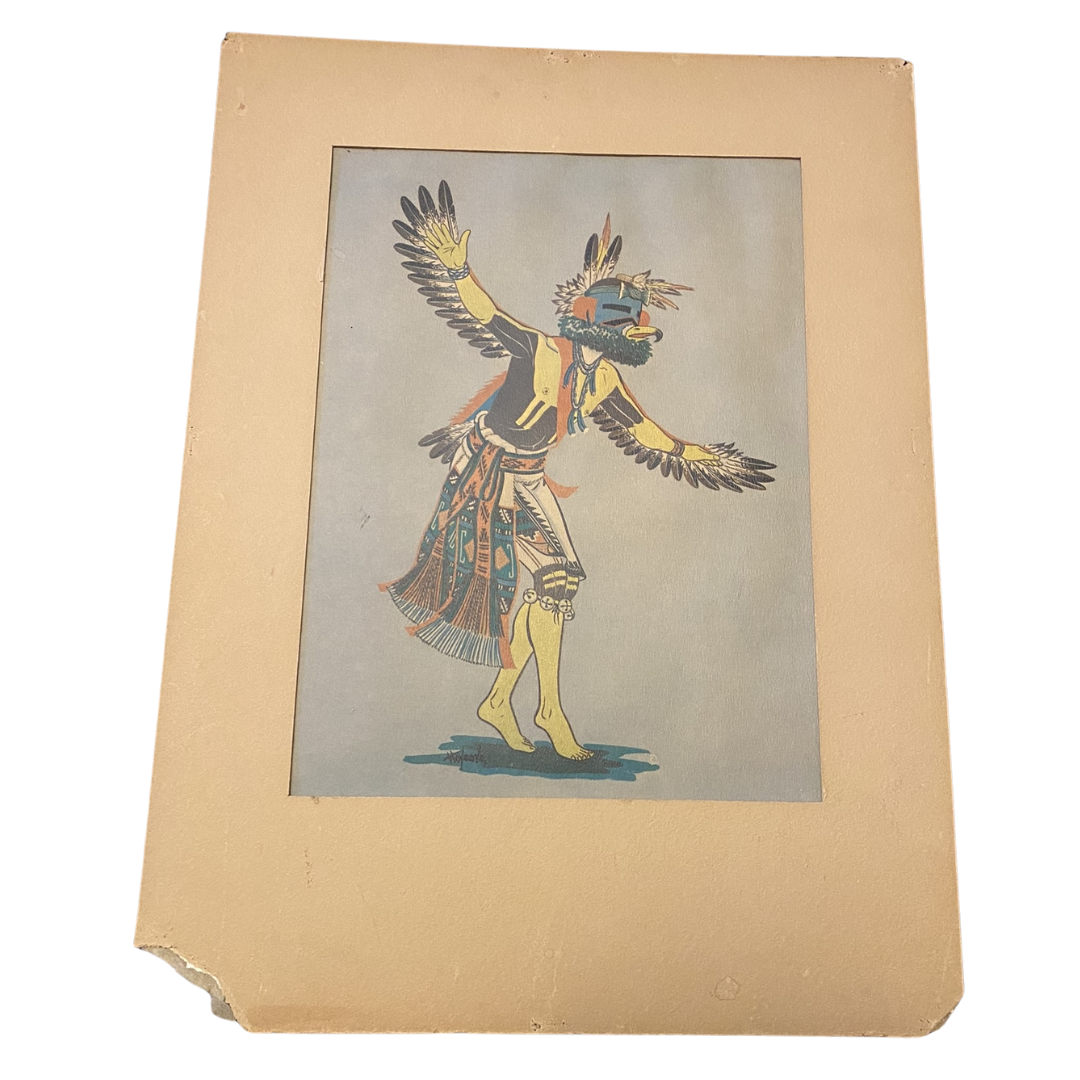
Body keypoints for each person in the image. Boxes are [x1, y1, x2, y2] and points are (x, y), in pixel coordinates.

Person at [382, 183, 775, 760]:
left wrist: (707, 459)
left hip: (528, 477)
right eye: (629, 329)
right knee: (555, 580)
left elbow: (647, 435)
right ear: (603, 327)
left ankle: (504, 701)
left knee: (557, 582)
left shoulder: (605, 379)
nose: (636, 340)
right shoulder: (541, 351)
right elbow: (486, 313)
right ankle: (548, 711)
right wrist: (456, 268)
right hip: (487, 472)